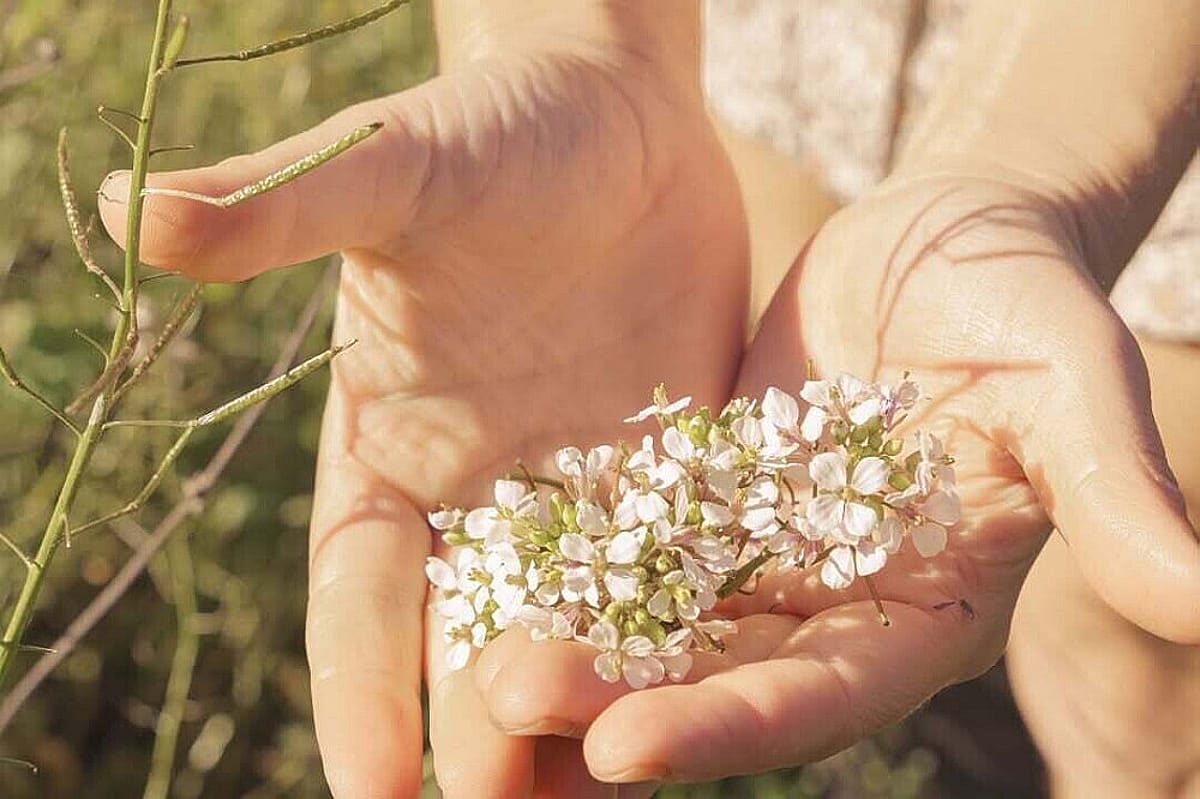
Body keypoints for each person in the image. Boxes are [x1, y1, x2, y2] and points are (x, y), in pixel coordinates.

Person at [97, 1, 1200, 796]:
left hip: (1133, 81)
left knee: (1123, 656)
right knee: (789, 335)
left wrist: (1025, 170)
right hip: (794, 53)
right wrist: (574, 41)